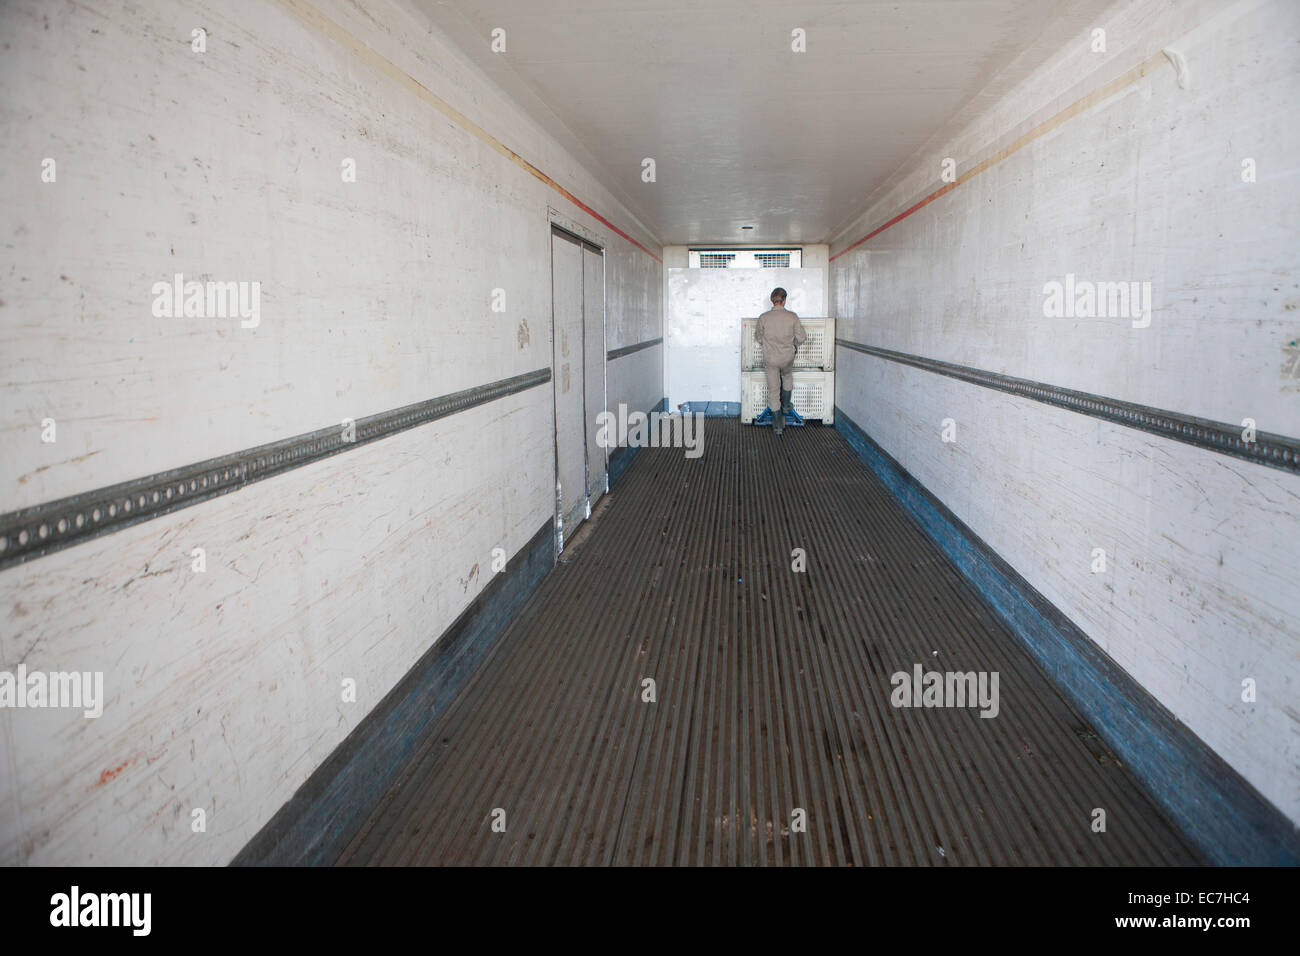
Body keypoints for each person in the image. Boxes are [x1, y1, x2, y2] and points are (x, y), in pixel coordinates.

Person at [755, 288, 806, 435]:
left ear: (772, 300)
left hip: (770, 358)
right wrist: (793, 343)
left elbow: (758, 337)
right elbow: (802, 338)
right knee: (787, 376)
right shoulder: (792, 317)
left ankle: (777, 426)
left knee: (773, 390)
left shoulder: (764, 317)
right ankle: (786, 407)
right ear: (784, 300)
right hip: (787, 357)